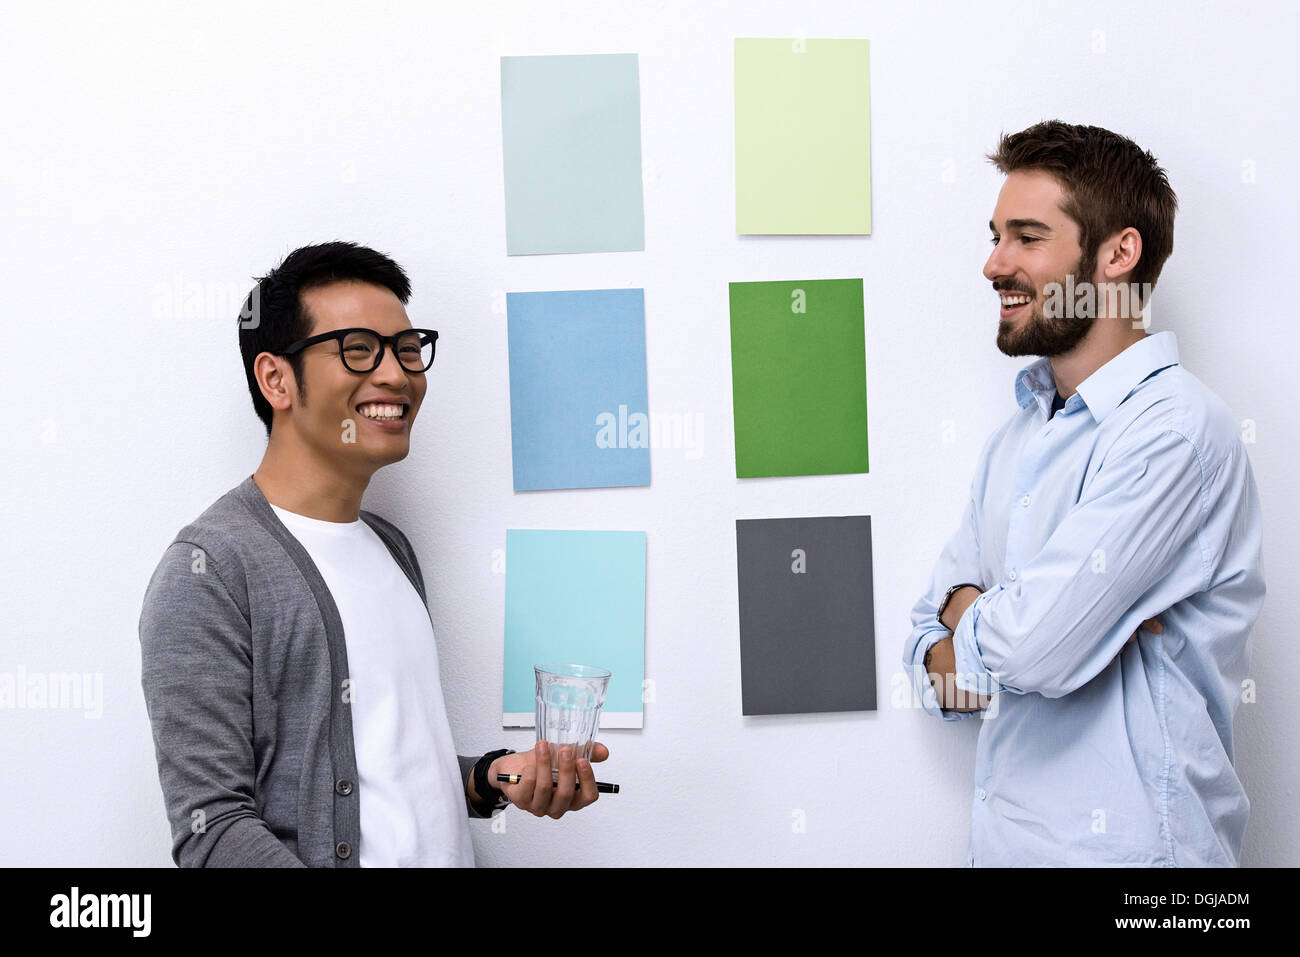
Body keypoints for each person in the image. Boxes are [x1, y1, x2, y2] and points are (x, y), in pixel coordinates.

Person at [138, 241, 606, 867]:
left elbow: (390, 767)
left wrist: (492, 775)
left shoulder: (390, 547)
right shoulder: (210, 572)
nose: (396, 374)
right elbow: (213, 830)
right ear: (276, 378)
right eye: (358, 349)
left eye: (407, 349)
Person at [903, 121, 1265, 866]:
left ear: (1117, 253)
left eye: (1026, 238)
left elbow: (1030, 654)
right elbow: (928, 667)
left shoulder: (1175, 434)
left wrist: (981, 614)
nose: (992, 264)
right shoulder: (1016, 440)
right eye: (996, 235)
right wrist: (1041, 632)